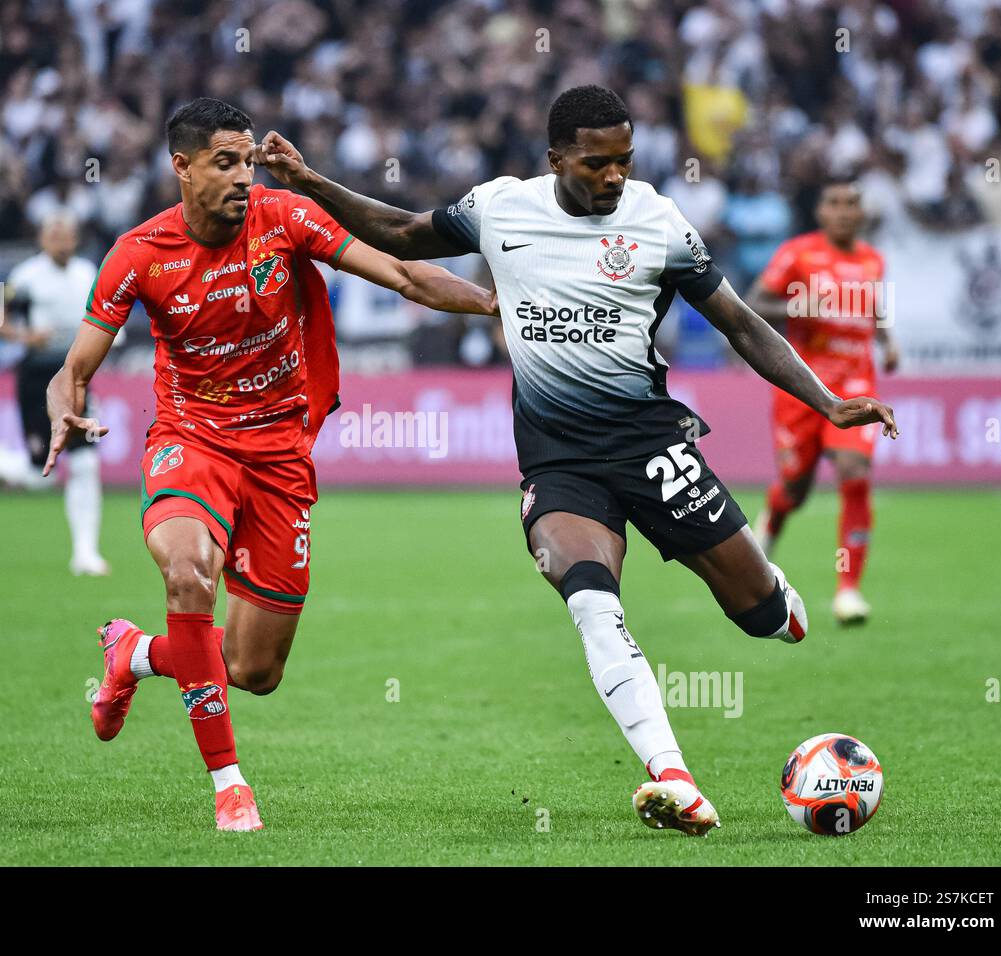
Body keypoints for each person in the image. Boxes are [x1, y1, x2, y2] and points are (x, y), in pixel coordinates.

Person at [256, 85, 897, 836]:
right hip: (559, 460)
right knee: (592, 600)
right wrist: (308, 182)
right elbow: (399, 232)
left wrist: (828, 401)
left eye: (625, 159)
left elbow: (742, 324)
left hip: (651, 445)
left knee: (762, 616)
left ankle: (771, 590)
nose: (614, 175)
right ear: (556, 157)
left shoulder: (657, 222)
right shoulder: (500, 208)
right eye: (597, 162)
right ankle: (674, 777)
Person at [43, 98, 496, 831]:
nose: (243, 176)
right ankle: (230, 785)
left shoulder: (285, 219)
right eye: (225, 162)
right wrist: (63, 404)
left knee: (255, 671)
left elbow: (405, 276)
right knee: (188, 571)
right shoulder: (139, 254)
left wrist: (493, 305)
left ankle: (135, 654)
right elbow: (73, 366)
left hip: (281, 454)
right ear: (181, 168)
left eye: (248, 161)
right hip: (191, 441)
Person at [746, 178, 900, 625]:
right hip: (804, 388)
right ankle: (772, 520)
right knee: (795, 488)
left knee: (854, 473)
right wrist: (800, 307)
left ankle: (848, 591)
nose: (845, 211)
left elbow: (874, 308)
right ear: (821, 211)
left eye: (852, 203)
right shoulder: (798, 254)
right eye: (835, 203)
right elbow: (753, 303)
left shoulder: (873, 260)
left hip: (856, 384)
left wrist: (889, 342)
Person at [0, 213, 112, 577]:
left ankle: (85, 553)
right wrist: (27, 338)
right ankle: (2, 464)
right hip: (37, 378)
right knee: (37, 474)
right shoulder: (26, 277)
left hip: (75, 376)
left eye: (66, 234)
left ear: (75, 238)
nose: (60, 241)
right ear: (42, 239)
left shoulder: (88, 272)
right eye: (53, 234)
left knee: (86, 463)